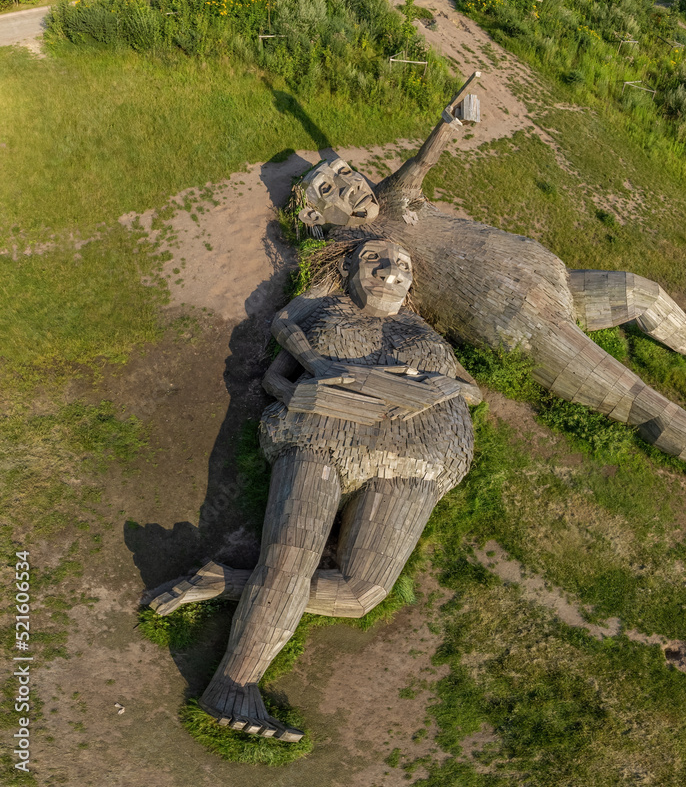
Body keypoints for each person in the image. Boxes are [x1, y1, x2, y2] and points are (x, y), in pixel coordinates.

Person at [296, 74, 686, 490]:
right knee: (632, 394)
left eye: (343, 172)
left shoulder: (391, 196)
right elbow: (345, 307)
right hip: (521, 325)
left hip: (552, 281)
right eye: (330, 188)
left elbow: (423, 159)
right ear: (318, 219)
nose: (348, 183)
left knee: (641, 291)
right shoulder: (353, 256)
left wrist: (449, 121)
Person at [151, 240, 479, 740]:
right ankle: (232, 686)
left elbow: (471, 388)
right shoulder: (325, 313)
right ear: (348, 268)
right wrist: (310, 385)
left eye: (403, 266)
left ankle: (222, 580)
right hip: (323, 436)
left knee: (361, 593)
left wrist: (441, 386)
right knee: (289, 561)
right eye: (376, 260)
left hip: (422, 455)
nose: (391, 271)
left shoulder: (424, 331)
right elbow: (276, 378)